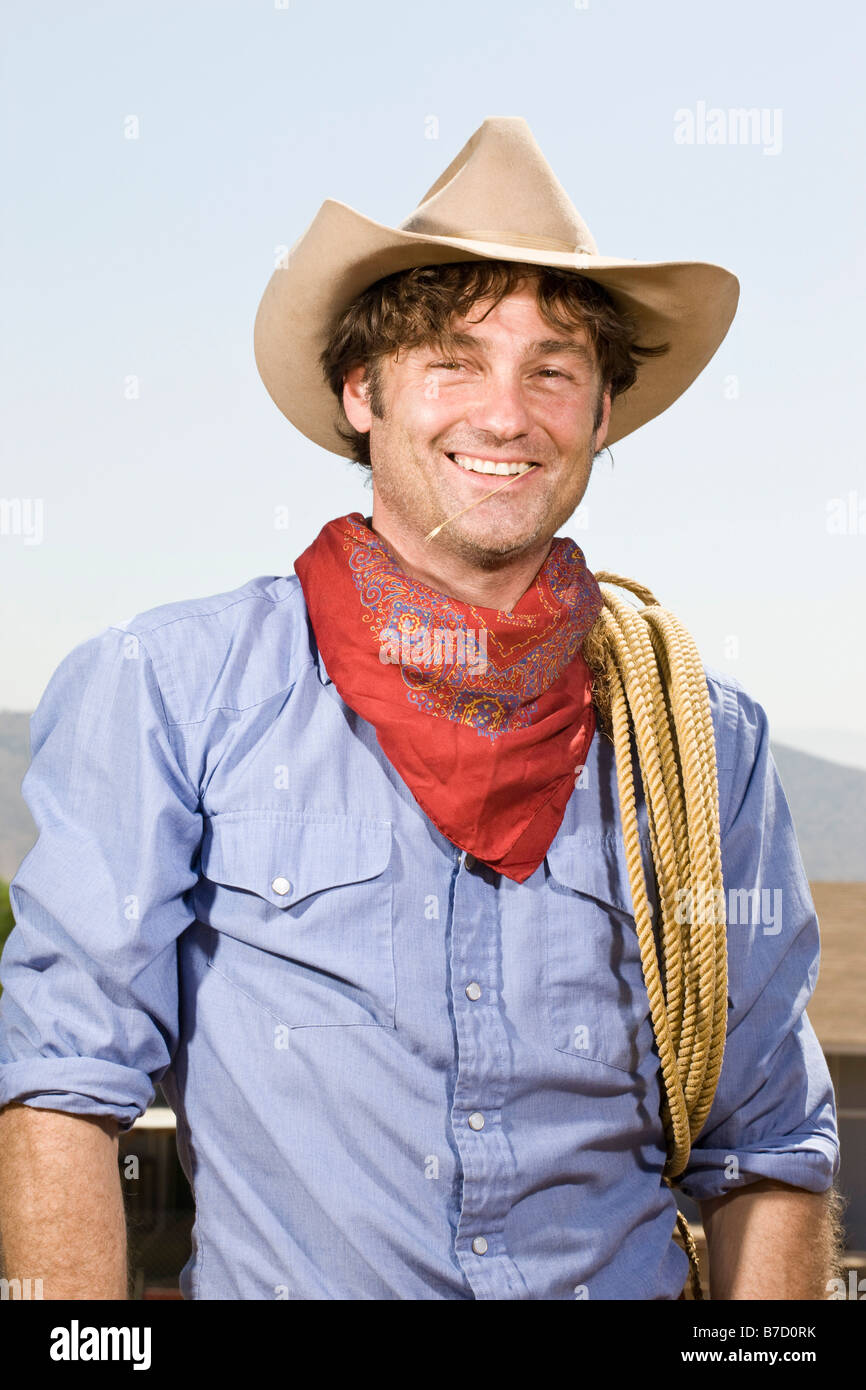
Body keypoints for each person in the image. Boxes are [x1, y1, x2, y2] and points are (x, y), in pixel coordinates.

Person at [0, 117, 840, 1301]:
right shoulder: (170, 687)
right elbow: (62, 1086)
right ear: (362, 393)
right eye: (453, 361)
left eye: (551, 369)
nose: (504, 415)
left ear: (599, 414)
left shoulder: (704, 741)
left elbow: (765, 1152)